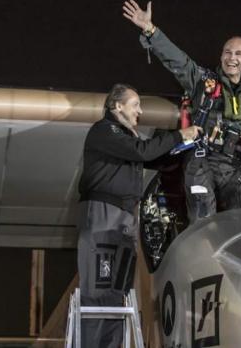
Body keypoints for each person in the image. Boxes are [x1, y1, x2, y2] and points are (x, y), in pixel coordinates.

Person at [122, 0, 241, 224]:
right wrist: (150, 30)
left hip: (233, 165)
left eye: (238, 54)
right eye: (228, 52)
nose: (232, 58)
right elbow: (178, 61)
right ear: (221, 56)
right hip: (201, 160)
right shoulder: (204, 81)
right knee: (202, 221)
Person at [77, 83, 200, 348]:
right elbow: (142, 151)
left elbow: (155, 157)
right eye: (135, 105)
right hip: (103, 216)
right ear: (117, 106)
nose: (140, 111)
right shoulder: (104, 130)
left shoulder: (127, 139)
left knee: (117, 292)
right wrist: (179, 135)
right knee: (99, 291)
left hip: (124, 218)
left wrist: (190, 143)